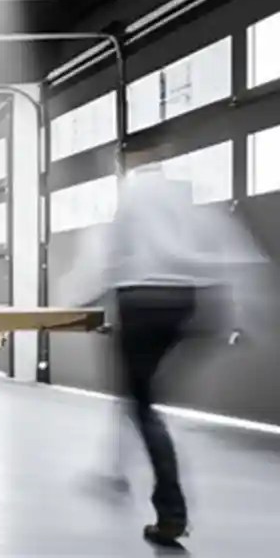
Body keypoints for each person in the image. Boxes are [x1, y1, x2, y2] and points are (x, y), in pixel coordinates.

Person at [59, 165, 268, 546]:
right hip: (187, 302)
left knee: (141, 403)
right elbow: (233, 252)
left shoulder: (132, 201)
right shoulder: (189, 202)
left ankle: (170, 508)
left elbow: (108, 258)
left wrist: (78, 303)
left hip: (140, 302)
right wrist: (242, 315)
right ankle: (118, 468)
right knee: (141, 399)